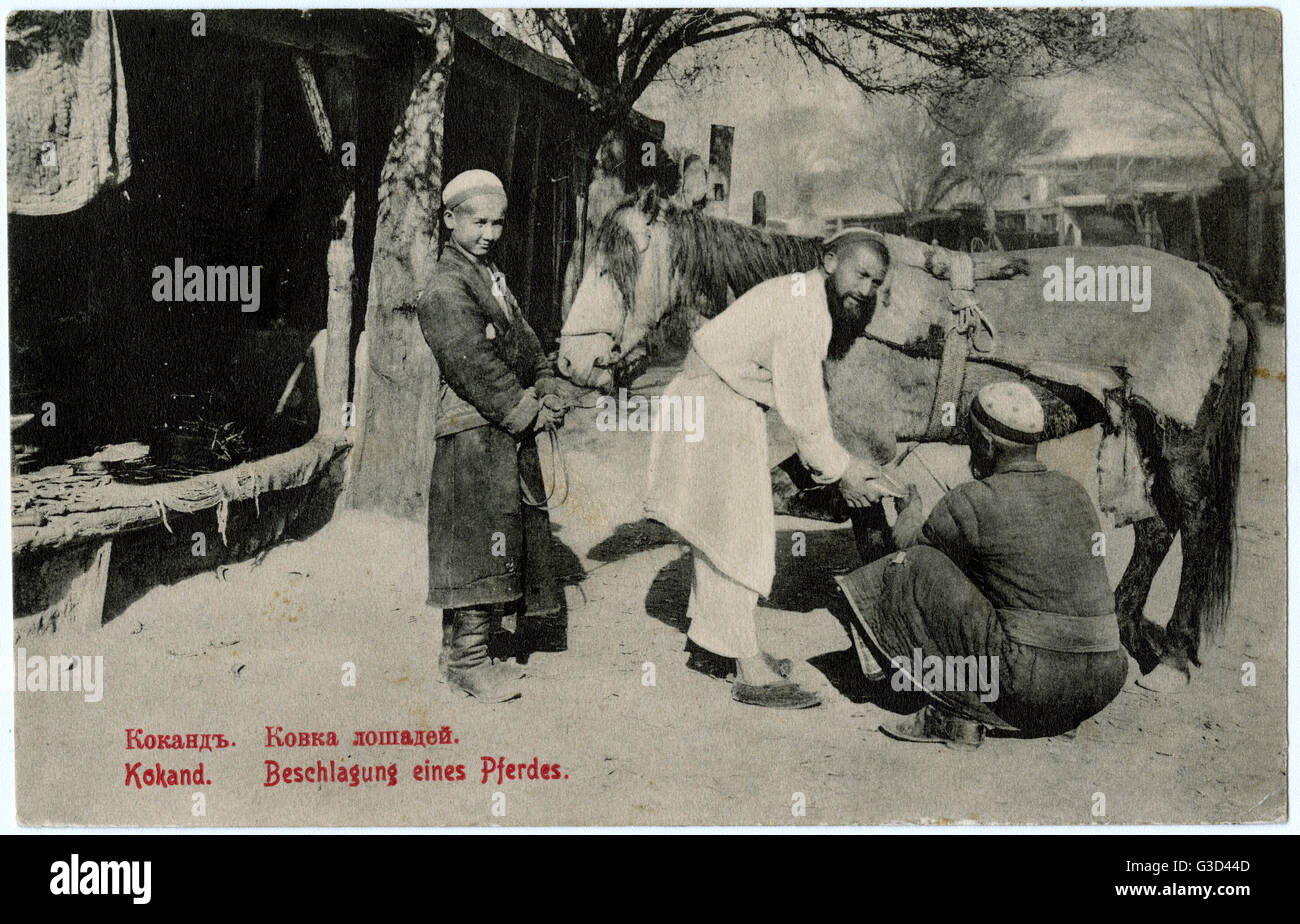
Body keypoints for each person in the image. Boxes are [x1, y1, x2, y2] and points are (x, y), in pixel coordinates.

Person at [645, 228, 893, 709]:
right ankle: (747, 668)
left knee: (721, 531)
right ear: (828, 261)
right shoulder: (805, 312)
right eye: (860, 274)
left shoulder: (800, 293)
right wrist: (842, 468)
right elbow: (804, 413)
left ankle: (718, 647)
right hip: (713, 401)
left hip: (712, 396)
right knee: (741, 534)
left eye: (876, 283)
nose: (865, 291)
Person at [835, 381, 1129, 747]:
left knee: (916, 565)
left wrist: (910, 513)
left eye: (972, 438)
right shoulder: (1076, 493)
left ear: (987, 443)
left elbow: (905, 554)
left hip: (1031, 681)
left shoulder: (972, 500)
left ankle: (953, 711)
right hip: (1105, 679)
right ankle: (1049, 716)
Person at [415, 169, 567, 703]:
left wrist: (546, 379)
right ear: (449, 219)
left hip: (497, 430)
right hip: (472, 435)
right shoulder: (443, 287)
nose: (489, 232)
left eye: (497, 222)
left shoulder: (489, 277)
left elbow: (523, 340)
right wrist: (526, 409)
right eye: (478, 220)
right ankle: (467, 660)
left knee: (498, 534)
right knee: (476, 542)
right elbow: (471, 361)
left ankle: (467, 649)